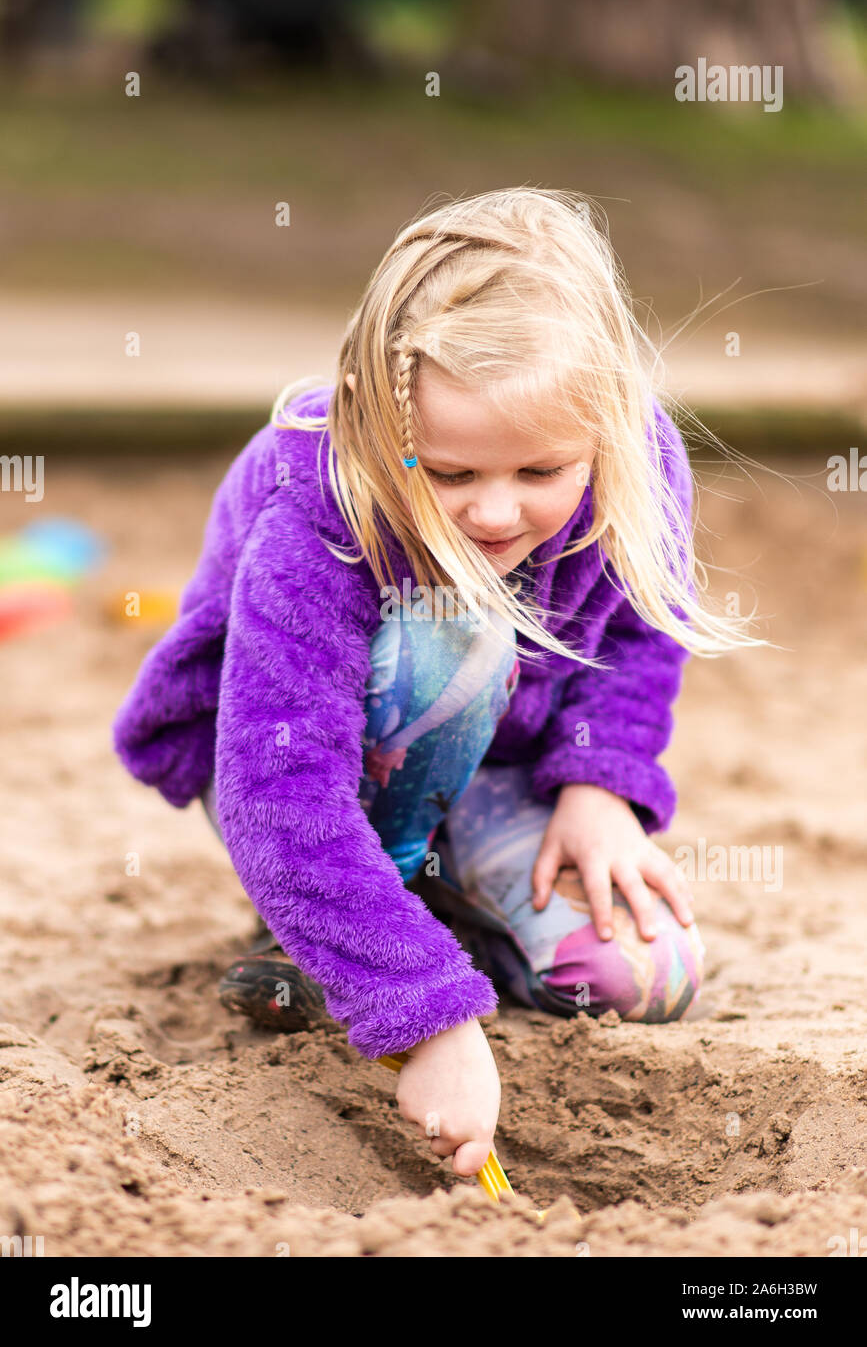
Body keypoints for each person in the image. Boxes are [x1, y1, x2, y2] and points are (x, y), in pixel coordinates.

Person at [113, 187, 760, 1179]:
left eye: (541, 470)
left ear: (607, 425)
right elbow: (281, 790)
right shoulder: (320, 507)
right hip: (306, 769)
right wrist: (428, 1019)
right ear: (383, 424)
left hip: (493, 761)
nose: (496, 512)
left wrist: (600, 786)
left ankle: (382, 928)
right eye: (450, 475)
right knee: (449, 627)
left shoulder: (636, 454)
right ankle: (377, 908)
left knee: (638, 975)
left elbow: (639, 636)